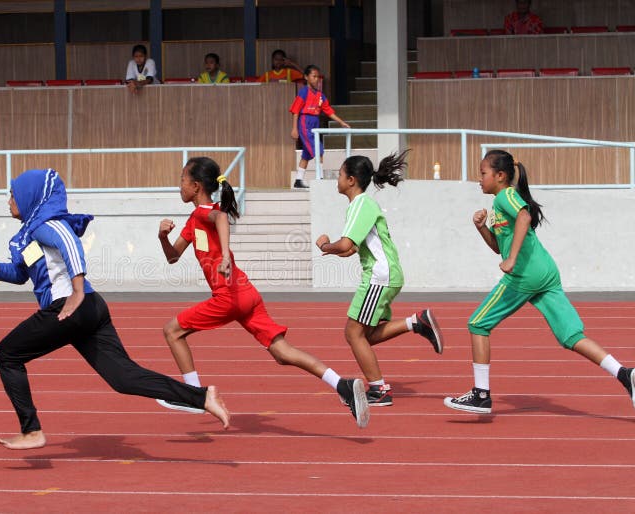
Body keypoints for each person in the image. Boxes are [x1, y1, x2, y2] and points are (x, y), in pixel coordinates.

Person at [0, 168, 230, 450]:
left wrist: (77, 289)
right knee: (123, 377)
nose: (9, 199)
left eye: (13, 193)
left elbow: (69, 242)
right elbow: (20, 274)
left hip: (70, 308)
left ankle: (32, 430)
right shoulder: (30, 235)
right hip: (90, 310)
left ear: (29, 196)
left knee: (6, 355)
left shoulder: (46, 225)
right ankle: (201, 397)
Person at [155, 156, 370, 428]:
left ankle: (193, 396)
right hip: (246, 294)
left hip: (228, 297)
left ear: (196, 186)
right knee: (282, 352)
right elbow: (173, 257)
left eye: (182, 181)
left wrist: (224, 257)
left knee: (172, 331)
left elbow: (221, 218)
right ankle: (341, 384)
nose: (179, 186)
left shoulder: (206, 211)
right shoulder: (194, 219)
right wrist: (162, 238)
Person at [444, 150, 635, 414]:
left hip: (525, 275)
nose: (479, 179)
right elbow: (498, 248)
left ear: (500, 176)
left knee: (478, 324)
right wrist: (482, 228)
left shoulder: (505, 196)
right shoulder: (501, 203)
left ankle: (481, 394)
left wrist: (512, 260)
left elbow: (525, 217)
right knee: (570, 336)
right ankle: (625, 374)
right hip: (544, 272)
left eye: (482, 173)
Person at [316, 153, 445, 407]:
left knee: (353, 334)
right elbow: (351, 249)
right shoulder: (360, 206)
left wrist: (325, 245)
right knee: (367, 335)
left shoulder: (361, 204)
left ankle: (379, 390)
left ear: (351, 180)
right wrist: (337, 249)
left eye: (340, 174)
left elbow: (344, 244)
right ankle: (416, 323)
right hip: (386, 275)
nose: (337, 179)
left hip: (379, 276)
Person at [290, 64, 350, 189]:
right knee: (319, 150)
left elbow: (328, 111)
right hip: (305, 121)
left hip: (315, 122)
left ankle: (298, 180)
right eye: (313, 76)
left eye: (318, 77)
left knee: (306, 155)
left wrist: (341, 122)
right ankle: (320, 177)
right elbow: (296, 110)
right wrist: (294, 128)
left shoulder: (320, 95)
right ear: (306, 77)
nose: (316, 79)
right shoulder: (303, 92)